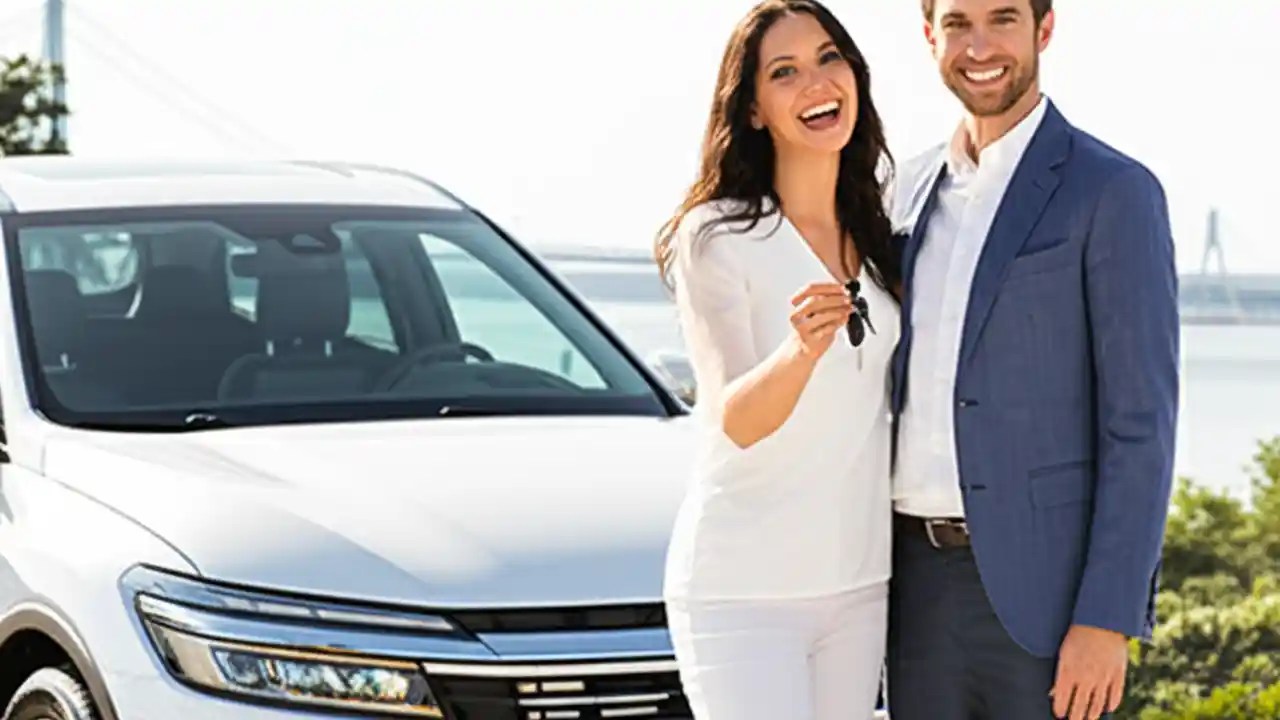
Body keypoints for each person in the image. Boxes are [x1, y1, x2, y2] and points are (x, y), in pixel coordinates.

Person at [884, 1, 1179, 719]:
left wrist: (1107, 618)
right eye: (957, 24)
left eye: (1003, 19)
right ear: (930, 38)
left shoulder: (1112, 191)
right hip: (908, 588)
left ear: (1044, 30)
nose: (979, 45)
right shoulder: (902, 190)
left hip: (1045, 599)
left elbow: (1140, 425)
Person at [654, 1, 901, 717]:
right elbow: (733, 417)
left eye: (829, 58)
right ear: (754, 109)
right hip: (743, 588)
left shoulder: (879, 230)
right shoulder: (716, 236)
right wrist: (799, 351)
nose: (816, 83)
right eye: (784, 72)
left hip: (859, 583)